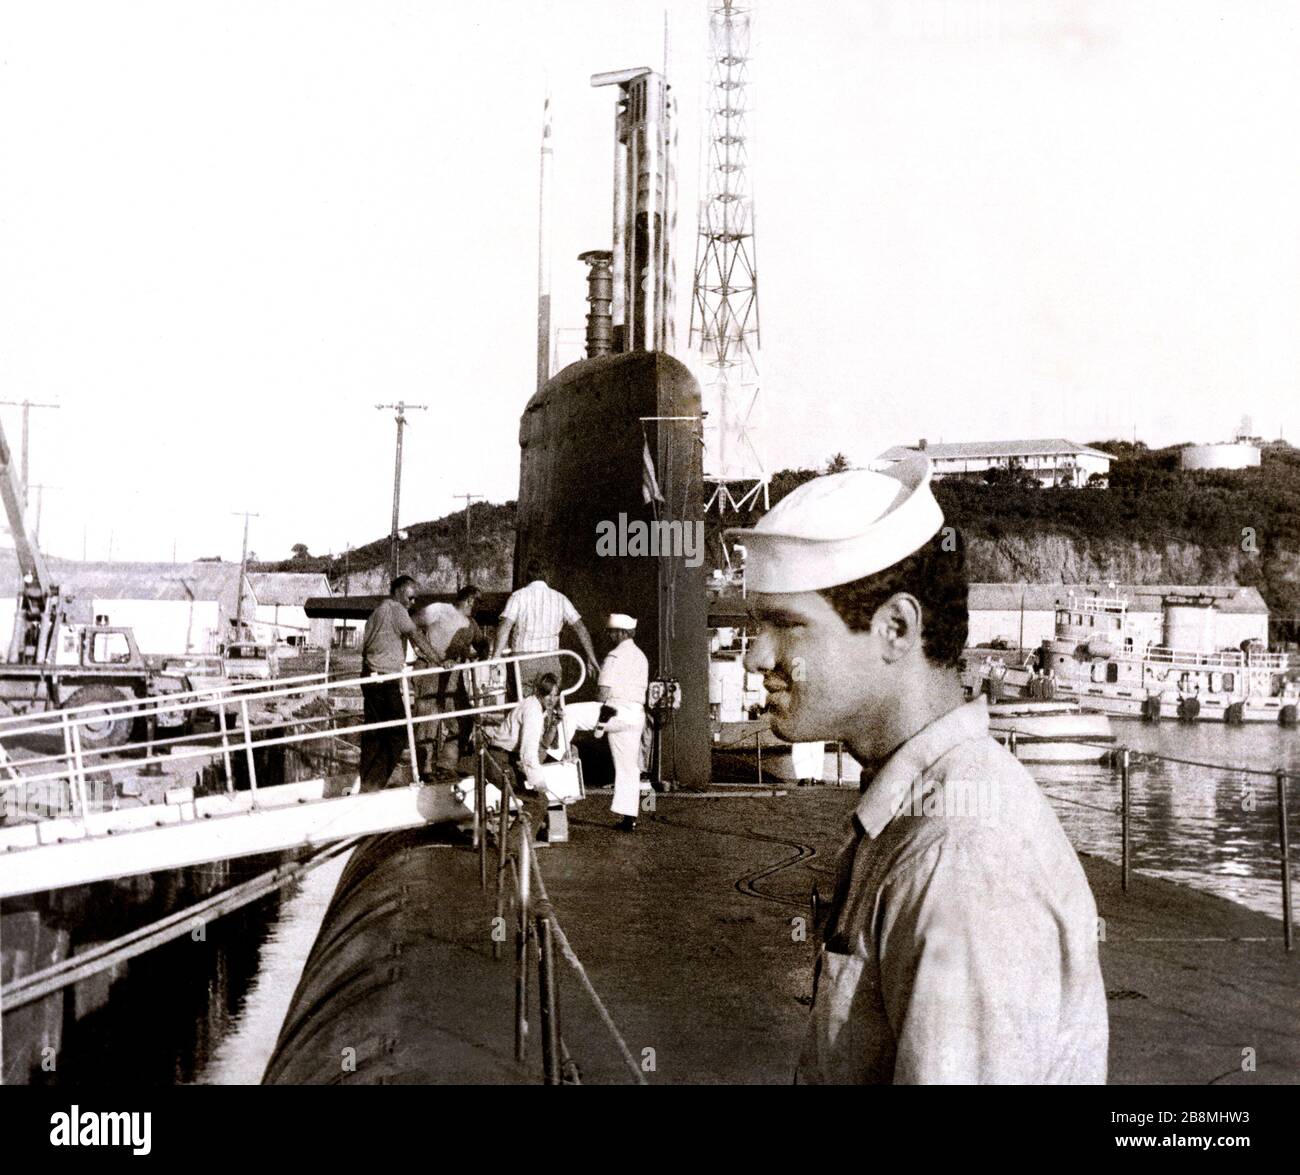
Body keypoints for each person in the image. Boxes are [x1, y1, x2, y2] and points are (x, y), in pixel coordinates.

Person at [728, 455, 1108, 1084]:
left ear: (896, 629)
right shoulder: (917, 807)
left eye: (787, 625)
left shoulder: (960, 858)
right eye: (755, 623)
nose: (755, 656)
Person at [564, 614, 649, 831]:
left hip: (613, 711)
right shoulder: (641, 656)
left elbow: (603, 692)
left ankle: (556, 754)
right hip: (635, 715)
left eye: (612, 632)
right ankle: (629, 817)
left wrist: (597, 713)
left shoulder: (614, 656)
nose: (610, 635)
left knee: (568, 713)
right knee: (629, 767)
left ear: (621, 633)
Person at [358, 575, 440, 792]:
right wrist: (439, 661)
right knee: (398, 734)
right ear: (400, 592)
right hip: (385, 681)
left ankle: (366, 781)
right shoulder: (396, 610)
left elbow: (367, 649)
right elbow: (417, 638)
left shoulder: (377, 613)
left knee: (374, 734)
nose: (413, 603)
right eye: (411, 598)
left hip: (369, 676)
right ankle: (372, 785)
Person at [482, 671, 568, 841]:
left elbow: (541, 746)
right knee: (539, 801)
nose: (552, 699)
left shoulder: (534, 706)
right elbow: (528, 753)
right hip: (499, 760)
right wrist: (537, 781)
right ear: (539, 692)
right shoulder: (533, 712)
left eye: (555, 695)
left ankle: (513, 841)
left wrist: (554, 725)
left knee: (537, 800)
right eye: (547, 694)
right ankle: (513, 846)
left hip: (502, 757)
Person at [492, 559, 599, 693]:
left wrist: (496, 658)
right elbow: (580, 628)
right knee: (550, 704)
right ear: (547, 576)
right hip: (551, 660)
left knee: (523, 707)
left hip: (524, 661)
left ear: (527, 575)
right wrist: (591, 657)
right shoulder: (560, 598)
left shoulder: (518, 596)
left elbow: (505, 626)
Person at [411, 585, 481, 780]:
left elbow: (480, 642)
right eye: (477, 602)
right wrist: (421, 651)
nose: (478, 607)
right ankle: (424, 770)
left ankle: (446, 764)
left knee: (463, 719)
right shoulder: (439, 609)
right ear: (469, 600)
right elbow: (411, 624)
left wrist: (481, 652)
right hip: (430, 669)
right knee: (428, 720)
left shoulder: (471, 624)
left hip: (453, 674)